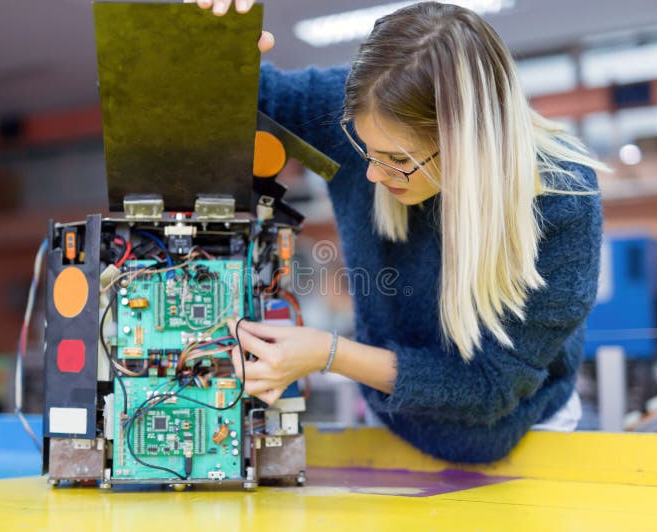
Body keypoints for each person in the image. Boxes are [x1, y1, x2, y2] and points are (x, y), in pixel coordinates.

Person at [194, 0, 606, 463]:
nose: (372, 174)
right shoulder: (360, 113)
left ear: (466, 144)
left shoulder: (562, 200)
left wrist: (332, 354)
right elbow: (248, 97)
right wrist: (211, 45)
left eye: (398, 160)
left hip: (525, 436)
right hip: (395, 425)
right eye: (364, 147)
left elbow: (490, 388)